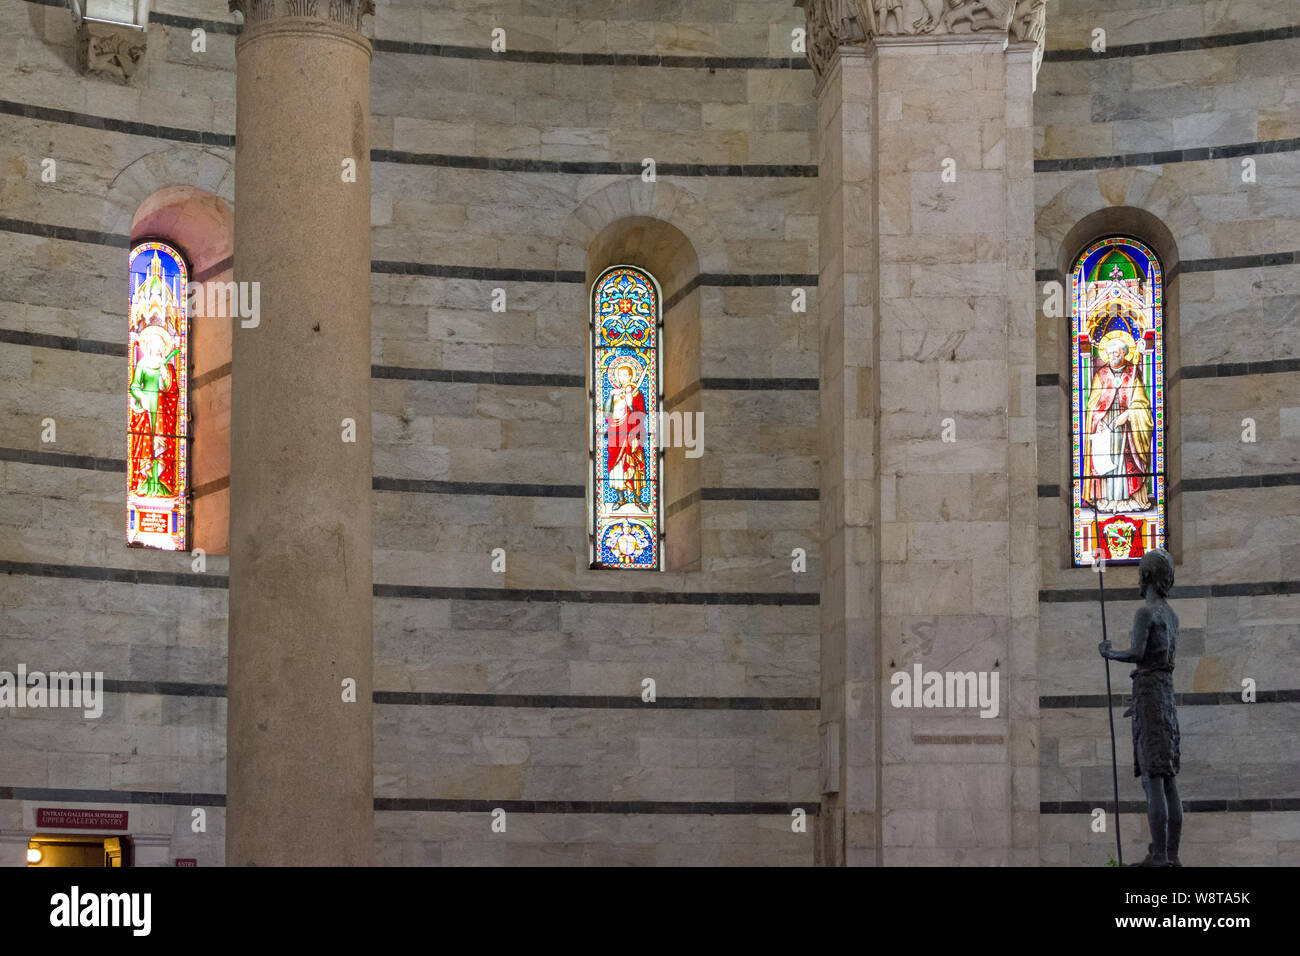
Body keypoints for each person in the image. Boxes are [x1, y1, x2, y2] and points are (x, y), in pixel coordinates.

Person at [1099, 548, 1182, 866]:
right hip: (1163, 695)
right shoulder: (1172, 615)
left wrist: (1109, 653)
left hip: (1150, 694)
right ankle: (1171, 855)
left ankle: (1160, 856)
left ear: (1147, 576)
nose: (1137, 579)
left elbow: (1136, 653)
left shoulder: (1146, 613)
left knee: (1154, 777)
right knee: (1168, 776)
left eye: (1139, 573)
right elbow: (1159, 660)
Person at [1084, 332, 1153, 513]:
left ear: (1124, 354)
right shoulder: (1102, 374)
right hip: (1106, 427)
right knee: (1107, 462)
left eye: (1117, 353)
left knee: (1125, 461)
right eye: (1110, 353)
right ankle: (1108, 499)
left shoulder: (1133, 373)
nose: (1113, 356)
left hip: (1128, 429)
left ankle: (1129, 499)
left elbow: (1142, 402)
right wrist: (1097, 420)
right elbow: (1093, 404)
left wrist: (1130, 414)